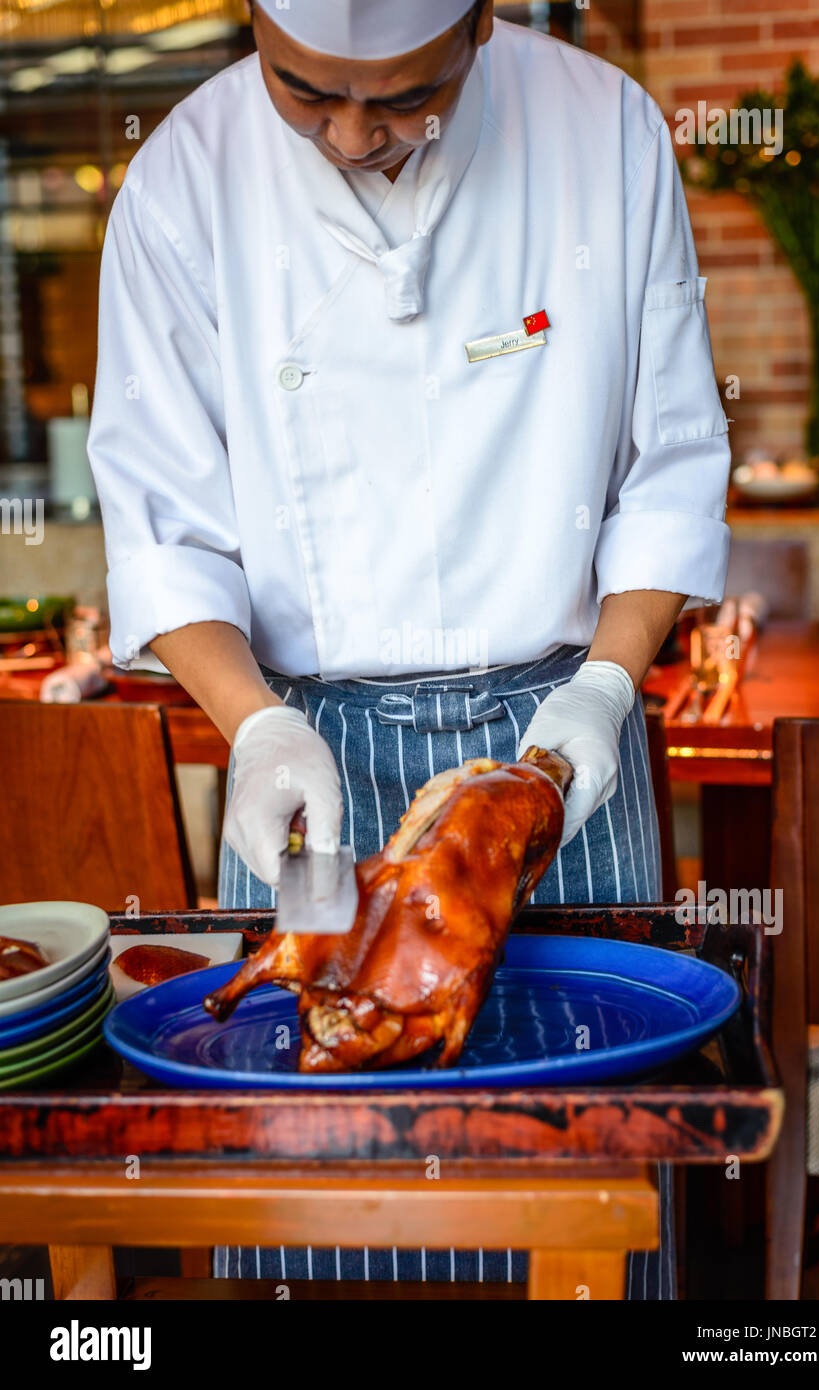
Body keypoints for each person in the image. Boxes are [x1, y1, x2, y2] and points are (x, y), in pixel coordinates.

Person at [87, 0, 731, 1296]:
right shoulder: (181, 180)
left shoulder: (603, 132)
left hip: (557, 770)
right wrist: (254, 724)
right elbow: (162, 526)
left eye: (400, 96)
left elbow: (669, 471)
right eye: (305, 90)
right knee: (326, 1190)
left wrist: (606, 690)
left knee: (589, 1195)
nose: (350, 133)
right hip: (311, 775)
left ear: (482, 22)